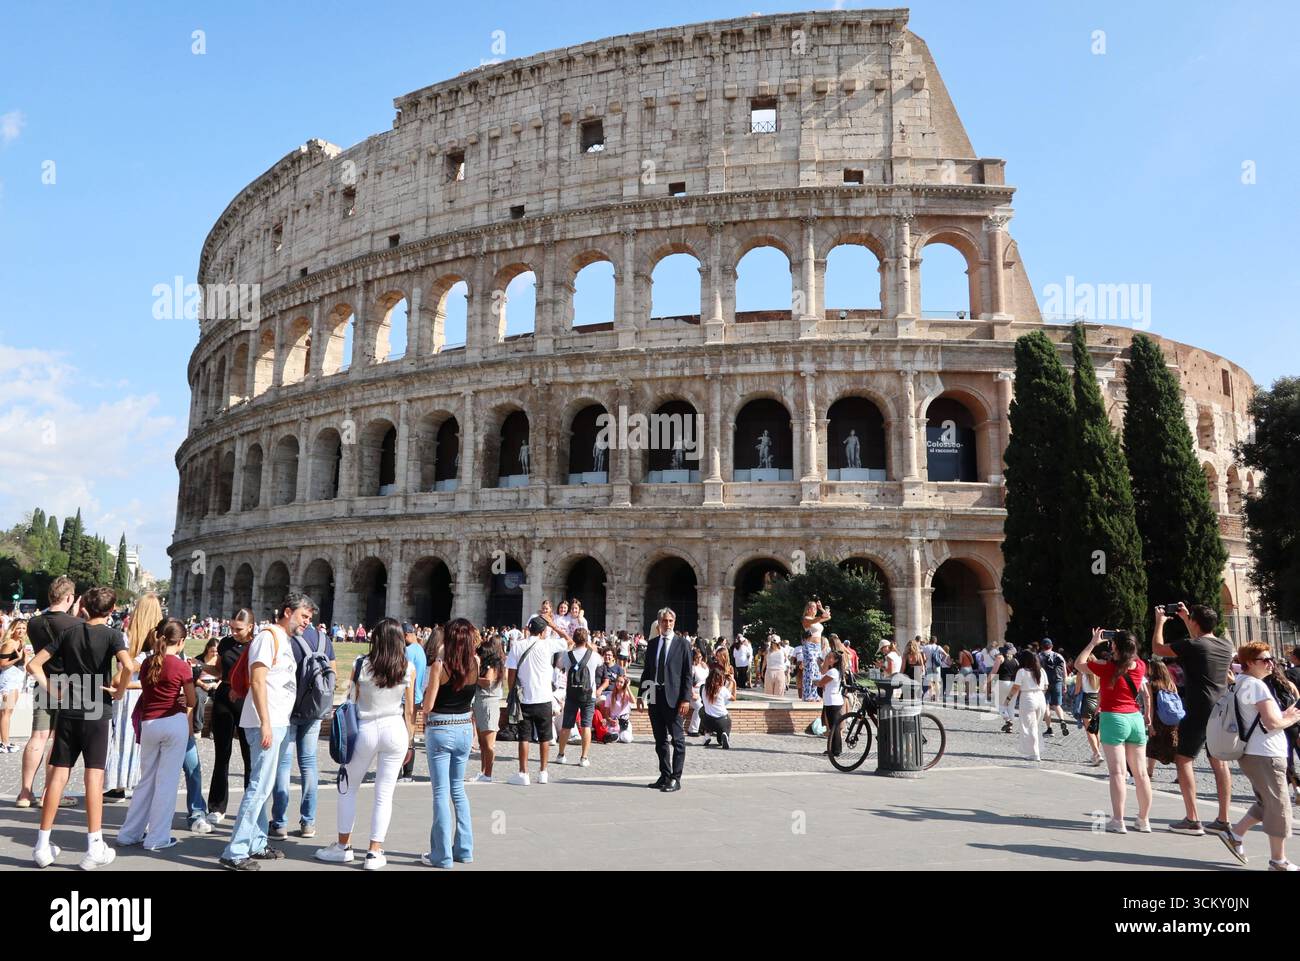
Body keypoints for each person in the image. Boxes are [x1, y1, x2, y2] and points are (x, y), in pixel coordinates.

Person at [26, 586, 135, 869]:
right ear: (112, 610)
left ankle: (41, 844)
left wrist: (51, 689)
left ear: (84, 606)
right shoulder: (113, 634)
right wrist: (120, 690)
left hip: (69, 705)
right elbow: (129, 665)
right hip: (96, 706)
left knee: (58, 776)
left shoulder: (69, 632)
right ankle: (94, 846)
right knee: (94, 778)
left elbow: (34, 664)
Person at [218, 592, 313, 871]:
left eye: (309, 618)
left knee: (265, 786)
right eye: (304, 616)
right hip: (265, 722)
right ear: (287, 611)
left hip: (278, 721)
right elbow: (257, 682)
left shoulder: (284, 639)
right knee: (258, 786)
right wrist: (266, 722)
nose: (307, 622)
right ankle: (234, 851)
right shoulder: (266, 638)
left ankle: (257, 842)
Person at [316, 617, 414, 870]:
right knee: (384, 794)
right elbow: (410, 711)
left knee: (348, 789)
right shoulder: (408, 667)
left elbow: (349, 698)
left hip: (365, 728)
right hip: (396, 729)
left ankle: (342, 846)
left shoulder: (361, 664)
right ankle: (374, 851)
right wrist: (411, 743)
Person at [1151, 603, 1234, 836]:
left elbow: (1158, 648)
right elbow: (1200, 642)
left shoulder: (1192, 645)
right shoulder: (1226, 645)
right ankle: (1223, 819)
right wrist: (1188, 618)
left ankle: (1192, 818)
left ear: (1195, 623)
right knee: (1219, 763)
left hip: (1198, 708)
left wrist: (1160, 622)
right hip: (1220, 708)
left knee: (1184, 759)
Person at [1216, 642, 1300, 870]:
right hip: (1266, 753)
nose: (1271, 663)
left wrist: (1282, 715)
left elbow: (1260, 719)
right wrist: (1291, 718)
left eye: (1271, 658)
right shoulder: (1257, 686)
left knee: (1266, 802)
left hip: (1253, 752)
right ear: (1251, 663)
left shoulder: (1241, 683)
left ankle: (1235, 834)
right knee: (1280, 806)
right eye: (1265, 659)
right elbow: (1272, 723)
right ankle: (1278, 860)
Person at [117, 618, 195, 851]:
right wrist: (181, 698)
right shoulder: (181, 666)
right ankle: (157, 836)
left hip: (149, 722)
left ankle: (129, 832)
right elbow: (191, 700)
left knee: (146, 780)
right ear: (180, 641)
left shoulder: (149, 662)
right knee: (167, 782)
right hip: (173, 721)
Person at [1076, 628, 1153, 833]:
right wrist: (1124, 639)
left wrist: (1093, 642)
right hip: (1135, 719)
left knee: (1117, 773)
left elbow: (1078, 664)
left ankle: (1118, 820)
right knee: (1141, 774)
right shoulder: (1141, 666)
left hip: (1113, 718)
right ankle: (1143, 820)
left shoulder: (1106, 667)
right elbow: (1130, 658)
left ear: (1114, 646)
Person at [16, 577, 80, 809]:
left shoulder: (34, 622)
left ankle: (25, 792)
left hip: (42, 682)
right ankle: (49, 793)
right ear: (69, 597)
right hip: (66, 684)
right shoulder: (73, 624)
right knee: (59, 740)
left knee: (38, 736)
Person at [271, 609, 335, 839]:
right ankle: (308, 822)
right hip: (314, 708)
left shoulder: (287, 639)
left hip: (288, 708)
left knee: (284, 765)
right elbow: (332, 674)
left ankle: (279, 823)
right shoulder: (323, 639)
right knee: (309, 764)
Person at [421, 617, 480, 868]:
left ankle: (442, 855)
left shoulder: (440, 665)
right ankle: (464, 849)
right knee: (458, 790)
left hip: (441, 728)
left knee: (441, 793)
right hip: (465, 728)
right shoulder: (476, 663)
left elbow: (428, 705)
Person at [104, 591, 162, 801]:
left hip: (126, 690)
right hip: (146, 691)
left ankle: (117, 782)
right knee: (143, 738)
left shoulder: (127, 635)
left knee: (122, 735)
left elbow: (121, 669)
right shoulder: (158, 638)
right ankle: (139, 780)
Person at [505, 614, 570, 786]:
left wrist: (512, 692)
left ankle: (523, 773)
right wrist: (554, 626)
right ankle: (543, 772)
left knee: (524, 737)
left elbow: (510, 674)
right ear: (543, 632)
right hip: (544, 698)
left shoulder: (517, 645)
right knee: (545, 737)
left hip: (524, 698)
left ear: (529, 629)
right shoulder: (547, 644)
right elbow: (569, 641)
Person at [206, 609, 254, 824]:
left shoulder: (256, 646)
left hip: (245, 698)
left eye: (239, 629)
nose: (234, 632)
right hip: (224, 695)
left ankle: (249, 805)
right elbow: (219, 671)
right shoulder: (225, 643)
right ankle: (217, 806)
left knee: (249, 754)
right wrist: (200, 667)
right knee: (221, 753)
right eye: (232, 628)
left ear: (250, 627)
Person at [641, 607, 694, 792]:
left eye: (671, 621)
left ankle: (675, 778)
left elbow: (688, 674)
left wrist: (685, 699)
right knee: (660, 739)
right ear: (659, 623)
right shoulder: (653, 644)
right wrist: (643, 695)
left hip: (674, 698)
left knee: (677, 739)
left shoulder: (683, 644)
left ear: (674, 622)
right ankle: (664, 774)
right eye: (665, 621)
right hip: (655, 696)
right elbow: (647, 671)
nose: (668, 624)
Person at [556, 628, 601, 767]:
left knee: (566, 726)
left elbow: (558, 665)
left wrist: (569, 648)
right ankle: (584, 757)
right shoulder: (593, 656)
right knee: (586, 725)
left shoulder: (567, 656)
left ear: (574, 639)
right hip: (589, 694)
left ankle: (561, 754)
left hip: (572, 694)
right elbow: (600, 662)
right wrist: (590, 646)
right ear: (586, 640)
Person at [1003, 650, 1048, 761]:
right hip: (1040, 697)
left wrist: (1007, 699)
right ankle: (1035, 750)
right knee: (1036, 726)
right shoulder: (1041, 670)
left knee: (1029, 727)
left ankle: (1034, 753)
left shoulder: (1022, 671)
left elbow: (1015, 688)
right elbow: (1046, 686)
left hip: (1028, 698)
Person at [472, 629, 504, 782]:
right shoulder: (487, 666)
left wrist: (474, 677)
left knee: (488, 743)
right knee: (482, 743)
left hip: (488, 704)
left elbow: (487, 682)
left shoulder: (492, 667)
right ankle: (483, 771)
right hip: (481, 703)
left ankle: (488, 773)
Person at [1144, 658, 1180, 778]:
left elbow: (1151, 706)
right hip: (1172, 719)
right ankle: (1180, 774)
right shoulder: (1171, 684)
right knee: (1173, 746)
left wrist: (1150, 724)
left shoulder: (1151, 684)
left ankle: (1149, 771)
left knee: (1153, 745)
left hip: (1158, 719)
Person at [0, 618, 28, 751]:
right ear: (13, 629)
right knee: (6, 711)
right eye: (18, 628)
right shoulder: (10, 643)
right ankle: (4, 743)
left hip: (17, 678)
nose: (21, 630)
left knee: (8, 711)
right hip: (9, 679)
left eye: (23, 628)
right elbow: (2, 664)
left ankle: (5, 741)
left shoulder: (21, 642)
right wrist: (17, 658)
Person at [815, 649, 846, 758]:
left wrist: (815, 682)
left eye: (830, 657)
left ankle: (836, 750)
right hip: (830, 701)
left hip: (833, 702)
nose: (827, 659)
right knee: (833, 726)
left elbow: (820, 682)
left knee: (834, 726)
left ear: (835, 660)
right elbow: (823, 674)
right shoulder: (832, 670)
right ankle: (833, 749)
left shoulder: (833, 672)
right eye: (827, 656)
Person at [699, 662, 736, 749]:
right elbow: (733, 698)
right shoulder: (722, 689)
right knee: (721, 739)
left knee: (701, 711)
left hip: (708, 721)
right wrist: (733, 683)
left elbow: (703, 702)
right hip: (722, 721)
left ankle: (707, 734)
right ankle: (724, 735)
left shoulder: (703, 688)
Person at [1038, 639, 1070, 737]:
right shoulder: (1059, 656)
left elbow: (1036, 671)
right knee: (1057, 705)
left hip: (1044, 683)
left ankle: (1050, 729)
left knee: (1046, 705)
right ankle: (1062, 720)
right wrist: (1065, 684)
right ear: (1052, 646)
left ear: (1041, 646)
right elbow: (1065, 671)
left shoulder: (1038, 656)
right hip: (1057, 682)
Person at [800, 601, 831, 701]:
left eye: (815, 607)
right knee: (810, 668)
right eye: (813, 607)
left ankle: (815, 694)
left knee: (817, 669)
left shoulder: (816, 620)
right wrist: (822, 615)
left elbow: (828, 617)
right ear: (808, 609)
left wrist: (822, 608)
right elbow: (814, 621)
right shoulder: (806, 619)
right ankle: (807, 695)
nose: (815, 609)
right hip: (809, 645)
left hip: (817, 646)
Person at [1076, 655, 1103, 766]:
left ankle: (1096, 753)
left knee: (1089, 730)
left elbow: (1077, 690)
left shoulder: (1081, 673)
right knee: (1096, 729)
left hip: (1087, 700)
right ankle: (1096, 752)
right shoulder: (1099, 673)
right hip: (1098, 700)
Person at [993, 642, 1019, 734]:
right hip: (1014, 684)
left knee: (999, 705)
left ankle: (1008, 720)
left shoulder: (1000, 658)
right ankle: (1010, 728)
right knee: (1011, 706)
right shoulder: (1016, 661)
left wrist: (986, 682)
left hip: (1002, 683)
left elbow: (994, 672)